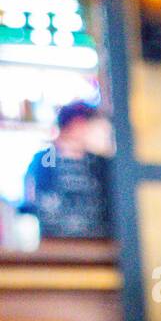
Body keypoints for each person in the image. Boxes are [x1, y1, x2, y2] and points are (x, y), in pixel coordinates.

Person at [23, 101, 114, 240]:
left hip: (99, 249)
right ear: (77, 125)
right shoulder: (43, 161)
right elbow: (31, 203)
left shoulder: (100, 163)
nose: (101, 130)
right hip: (54, 250)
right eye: (93, 125)